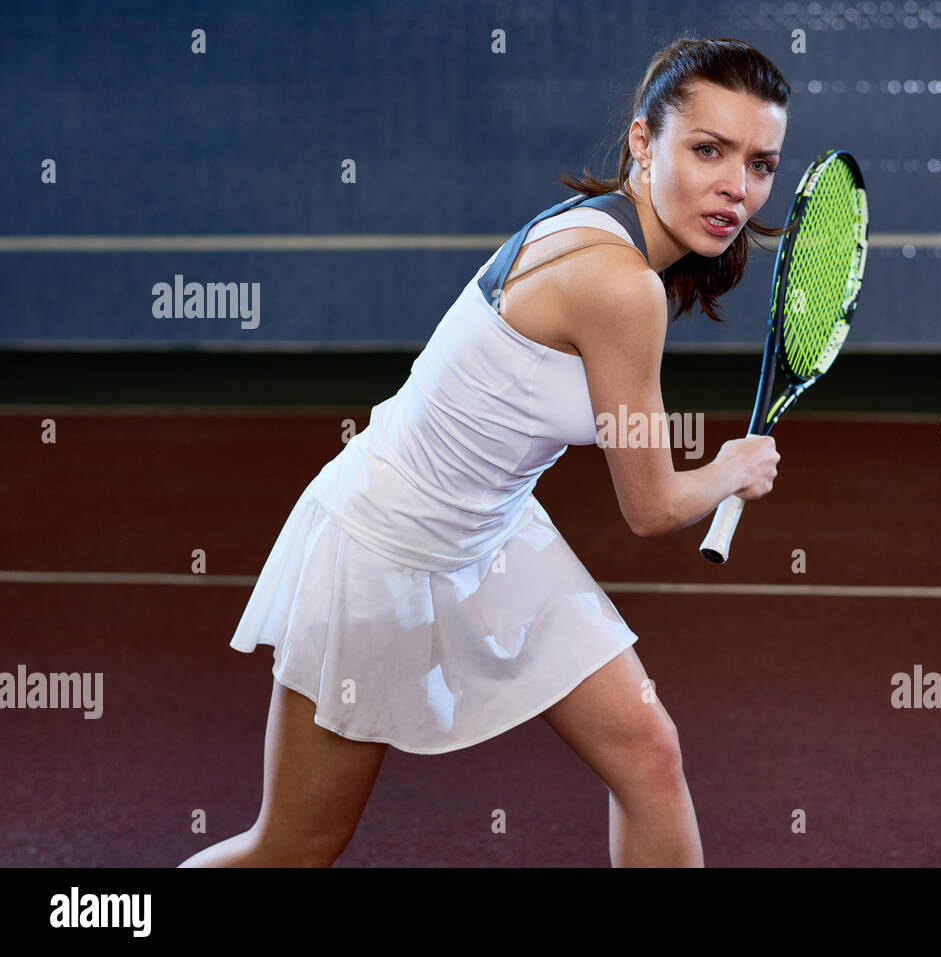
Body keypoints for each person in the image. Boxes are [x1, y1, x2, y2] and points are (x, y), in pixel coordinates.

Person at [179, 36, 788, 869]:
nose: (737, 187)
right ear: (643, 141)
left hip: (493, 534)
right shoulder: (620, 284)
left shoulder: (612, 233)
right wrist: (731, 469)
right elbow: (649, 508)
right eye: (709, 150)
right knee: (291, 846)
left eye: (760, 163)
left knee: (650, 756)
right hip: (383, 543)